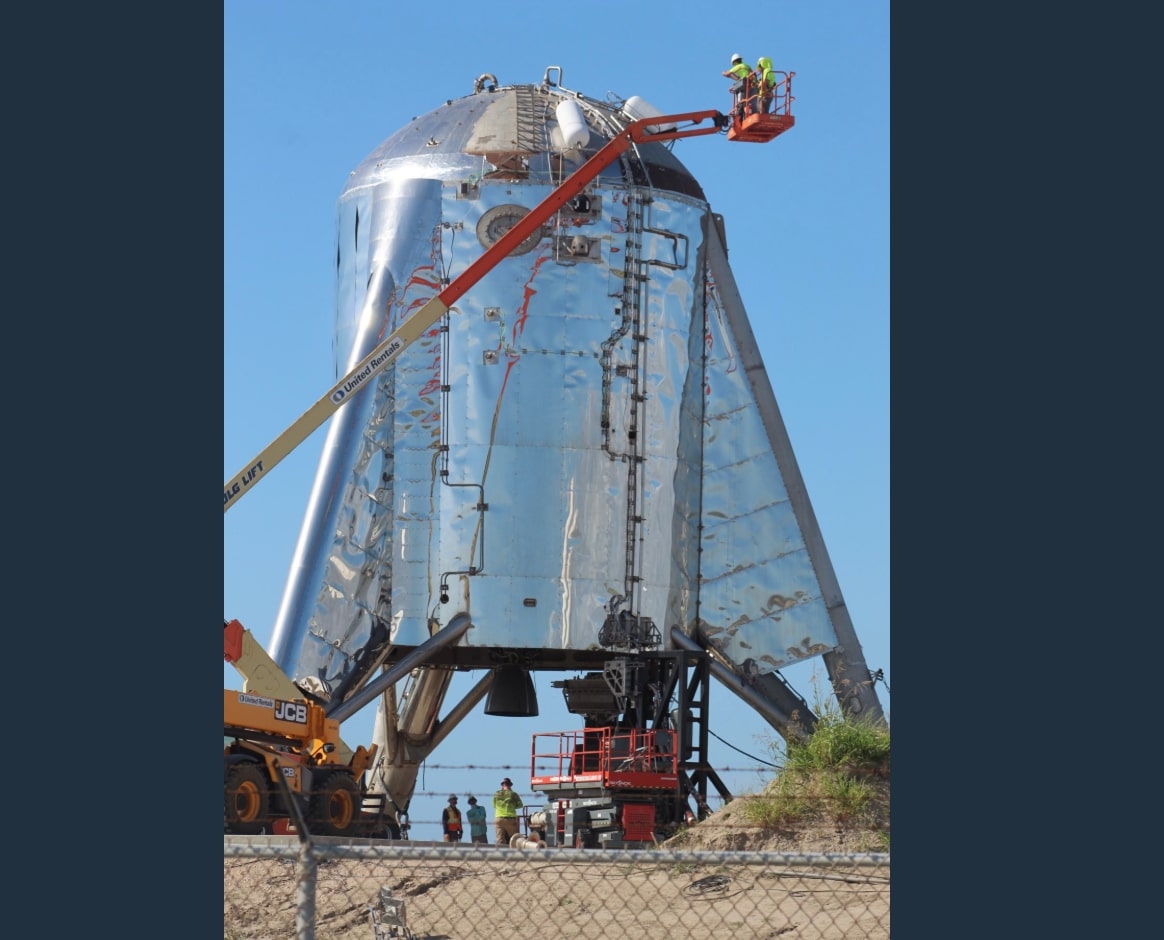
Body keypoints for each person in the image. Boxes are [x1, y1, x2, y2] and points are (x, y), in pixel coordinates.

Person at [492, 777, 523, 846]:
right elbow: (520, 805)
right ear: (510, 785)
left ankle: (501, 854)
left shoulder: (497, 794)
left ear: (502, 785)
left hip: (498, 818)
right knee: (514, 838)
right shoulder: (513, 794)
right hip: (510, 819)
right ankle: (514, 854)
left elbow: (494, 805)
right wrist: (513, 806)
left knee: (500, 839)